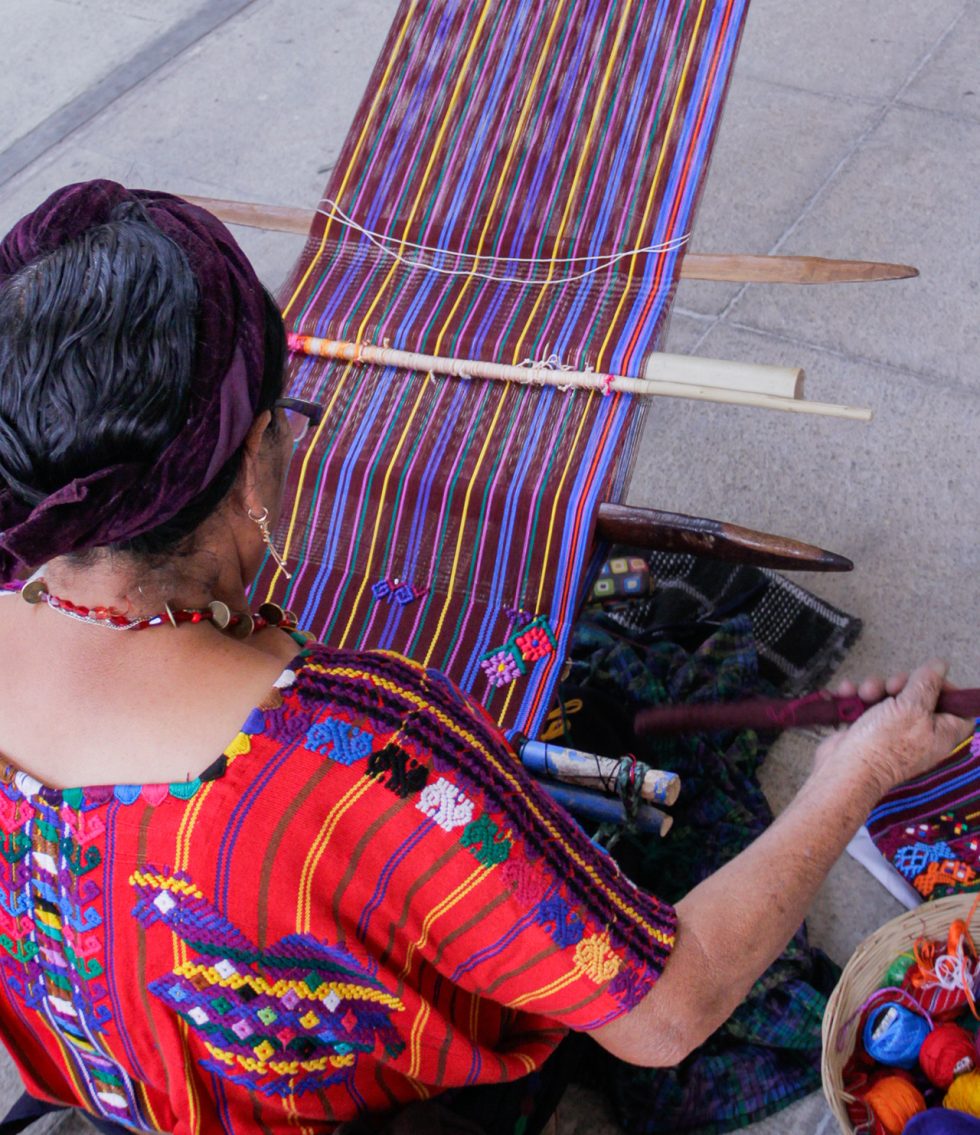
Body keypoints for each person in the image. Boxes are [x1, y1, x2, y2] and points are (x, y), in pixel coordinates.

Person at [0, 180, 969, 1135]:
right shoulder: (361, 751)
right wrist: (852, 775)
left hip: (116, 1087)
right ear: (255, 455)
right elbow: (667, 1016)